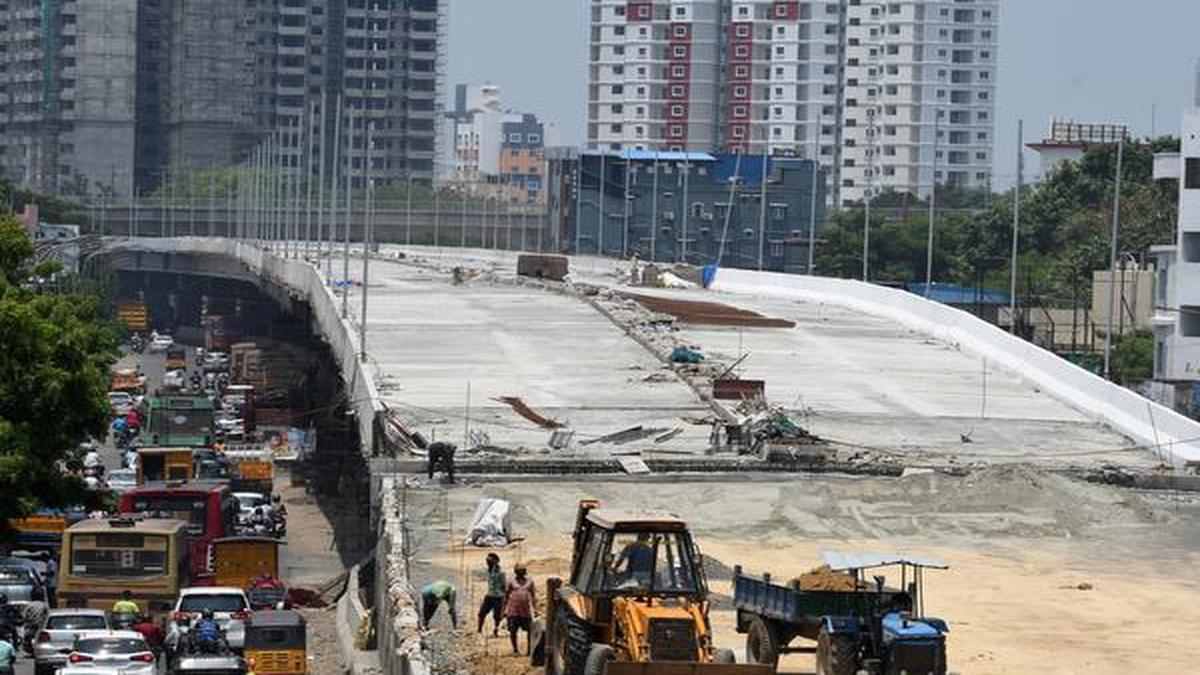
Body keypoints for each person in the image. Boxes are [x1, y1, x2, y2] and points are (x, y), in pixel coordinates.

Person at [504, 563, 537, 656]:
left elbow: (533, 596)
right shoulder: (511, 580)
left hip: (525, 611)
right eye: (519, 571)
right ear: (516, 572)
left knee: (530, 630)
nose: (521, 572)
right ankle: (515, 650)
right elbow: (506, 596)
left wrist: (535, 609)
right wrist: (504, 610)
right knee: (513, 630)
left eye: (523, 570)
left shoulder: (529, 581)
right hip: (513, 610)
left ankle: (529, 650)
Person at [476, 553, 506, 637]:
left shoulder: (501, 573)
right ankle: (479, 630)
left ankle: (495, 630)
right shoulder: (489, 570)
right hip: (489, 595)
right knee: (481, 613)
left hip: (498, 597)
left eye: (490, 561)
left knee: (497, 616)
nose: (487, 562)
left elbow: (504, 586)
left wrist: (504, 600)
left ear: (496, 561)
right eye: (487, 561)